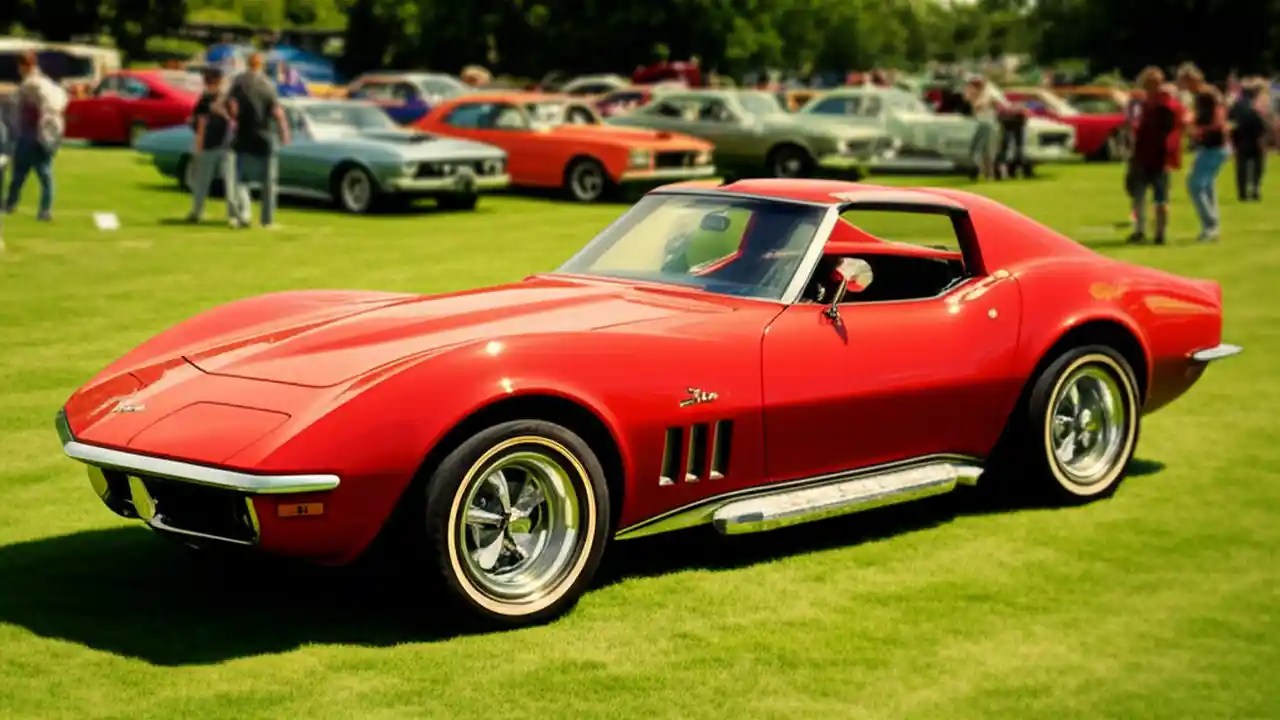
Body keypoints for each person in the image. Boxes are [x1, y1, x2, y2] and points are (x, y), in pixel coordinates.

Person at [222, 52, 289, 229]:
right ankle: (267, 220)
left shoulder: (238, 82)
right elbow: (277, 111)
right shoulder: (268, 84)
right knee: (268, 181)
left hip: (243, 133)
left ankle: (242, 214)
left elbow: (230, 104)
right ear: (261, 65)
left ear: (247, 64)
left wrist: (233, 118)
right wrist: (284, 131)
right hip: (264, 134)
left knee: (240, 178)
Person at [4, 50, 67, 222]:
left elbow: (19, 105)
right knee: (44, 175)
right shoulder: (46, 83)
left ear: (24, 66)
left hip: (31, 135)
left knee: (21, 173)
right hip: (44, 134)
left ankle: (11, 204)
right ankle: (44, 209)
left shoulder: (31, 84)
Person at [1126, 67, 1184, 246]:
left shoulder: (1159, 104)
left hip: (1151, 154)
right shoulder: (1165, 102)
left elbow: (1158, 130)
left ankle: (1144, 231)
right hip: (1157, 154)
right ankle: (1157, 233)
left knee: (1144, 195)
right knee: (1157, 196)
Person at [1179, 64, 1227, 242]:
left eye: (1185, 82)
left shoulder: (1205, 95)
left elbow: (1216, 120)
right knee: (1206, 186)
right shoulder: (1206, 94)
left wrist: (1195, 128)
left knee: (1195, 185)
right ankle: (1213, 226)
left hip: (1213, 146)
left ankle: (1210, 226)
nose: (1184, 86)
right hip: (1213, 146)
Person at [185, 67, 233, 223]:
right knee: (230, 181)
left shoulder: (205, 100)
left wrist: (197, 149)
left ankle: (197, 212)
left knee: (202, 181)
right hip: (227, 144)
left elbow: (201, 126)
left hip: (209, 144)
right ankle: (233, 213)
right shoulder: (228, 99)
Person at [1228, 78, 1266, 202]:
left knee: (1241, 167)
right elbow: (1259, 125)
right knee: (1257, 166)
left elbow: (1230, 123)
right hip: (1254, 139)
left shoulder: (1235, 106)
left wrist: (1232, 140)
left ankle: (1242, 193)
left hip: (1239, 139)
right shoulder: (1254, 107)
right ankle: (1255, 189)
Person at [964, 76, 1003, 181]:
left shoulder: (988, 93)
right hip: (981, 123)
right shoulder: (978, 94)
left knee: (987, 150)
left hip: (988, 123)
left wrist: (987, 102)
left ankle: (990, 173)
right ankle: (985, 173)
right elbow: (970, 100)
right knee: (982, 149)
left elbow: (997, 102)